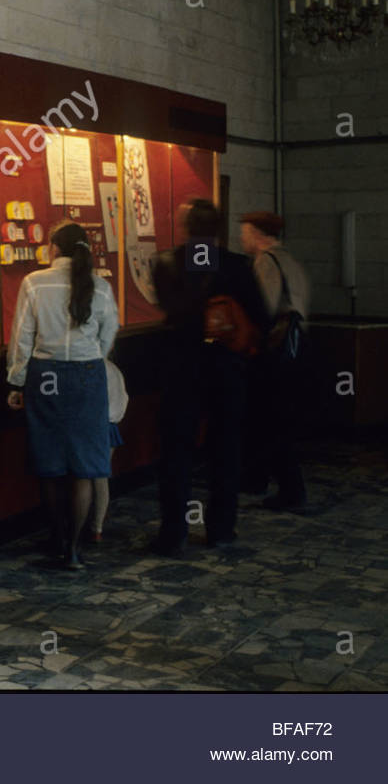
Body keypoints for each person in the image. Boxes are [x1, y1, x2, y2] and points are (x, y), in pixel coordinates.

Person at [151, 199, 269, 556]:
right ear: (219, 229)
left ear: (186, 227)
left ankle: (174, 533)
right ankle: (220, 529)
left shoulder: (167, 263)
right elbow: (260, 317)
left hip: (181, 370)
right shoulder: (237, 267)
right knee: (226, 450)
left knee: (176, 452)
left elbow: (169, 311)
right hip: (226, 369)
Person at [6, 221, 118, 570]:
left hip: (46, 376)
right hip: (88, 376)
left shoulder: (34, 283)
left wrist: (17, 381)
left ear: (54, 247)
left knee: (50, 464)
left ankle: (55, 539)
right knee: (83, 468)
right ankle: (73, 548)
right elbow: (109, 334)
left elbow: (22, 337)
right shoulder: (100, 286)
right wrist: (89, 358)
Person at [239, 211, 310, 512]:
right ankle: (265, 480)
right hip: (293, 353)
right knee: (276, 420)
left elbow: (264, 308)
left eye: (245, 232)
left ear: (257, 234)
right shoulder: (290, 261)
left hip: (273, 355)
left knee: (269, 420)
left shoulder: (266, 261)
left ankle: (289, 490)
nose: (242, 238)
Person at [87, 358, 129, 544]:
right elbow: (123, 401)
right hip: (110, 427)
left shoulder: (89, 369)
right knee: (100, 477)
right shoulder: (114, 368)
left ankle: (95, 526)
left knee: (94, 479)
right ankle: (97, 523)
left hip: (94, 427)